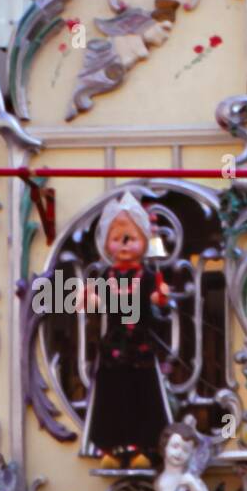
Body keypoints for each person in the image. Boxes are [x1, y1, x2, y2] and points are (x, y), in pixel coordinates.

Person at [80, 192, 174, 470]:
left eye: (130, 239)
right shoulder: (105, 277)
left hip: (141, 346)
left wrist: (160, 297)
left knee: (142, 396)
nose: (123, 245)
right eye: (117, 238)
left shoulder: (145, 277)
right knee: (113, 398)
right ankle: (111, 447)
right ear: (107, 244)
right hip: (113, 347)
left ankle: (142, 447)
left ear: (143, 243)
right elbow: (97, 304)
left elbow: (158, 303)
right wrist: (91, 300)